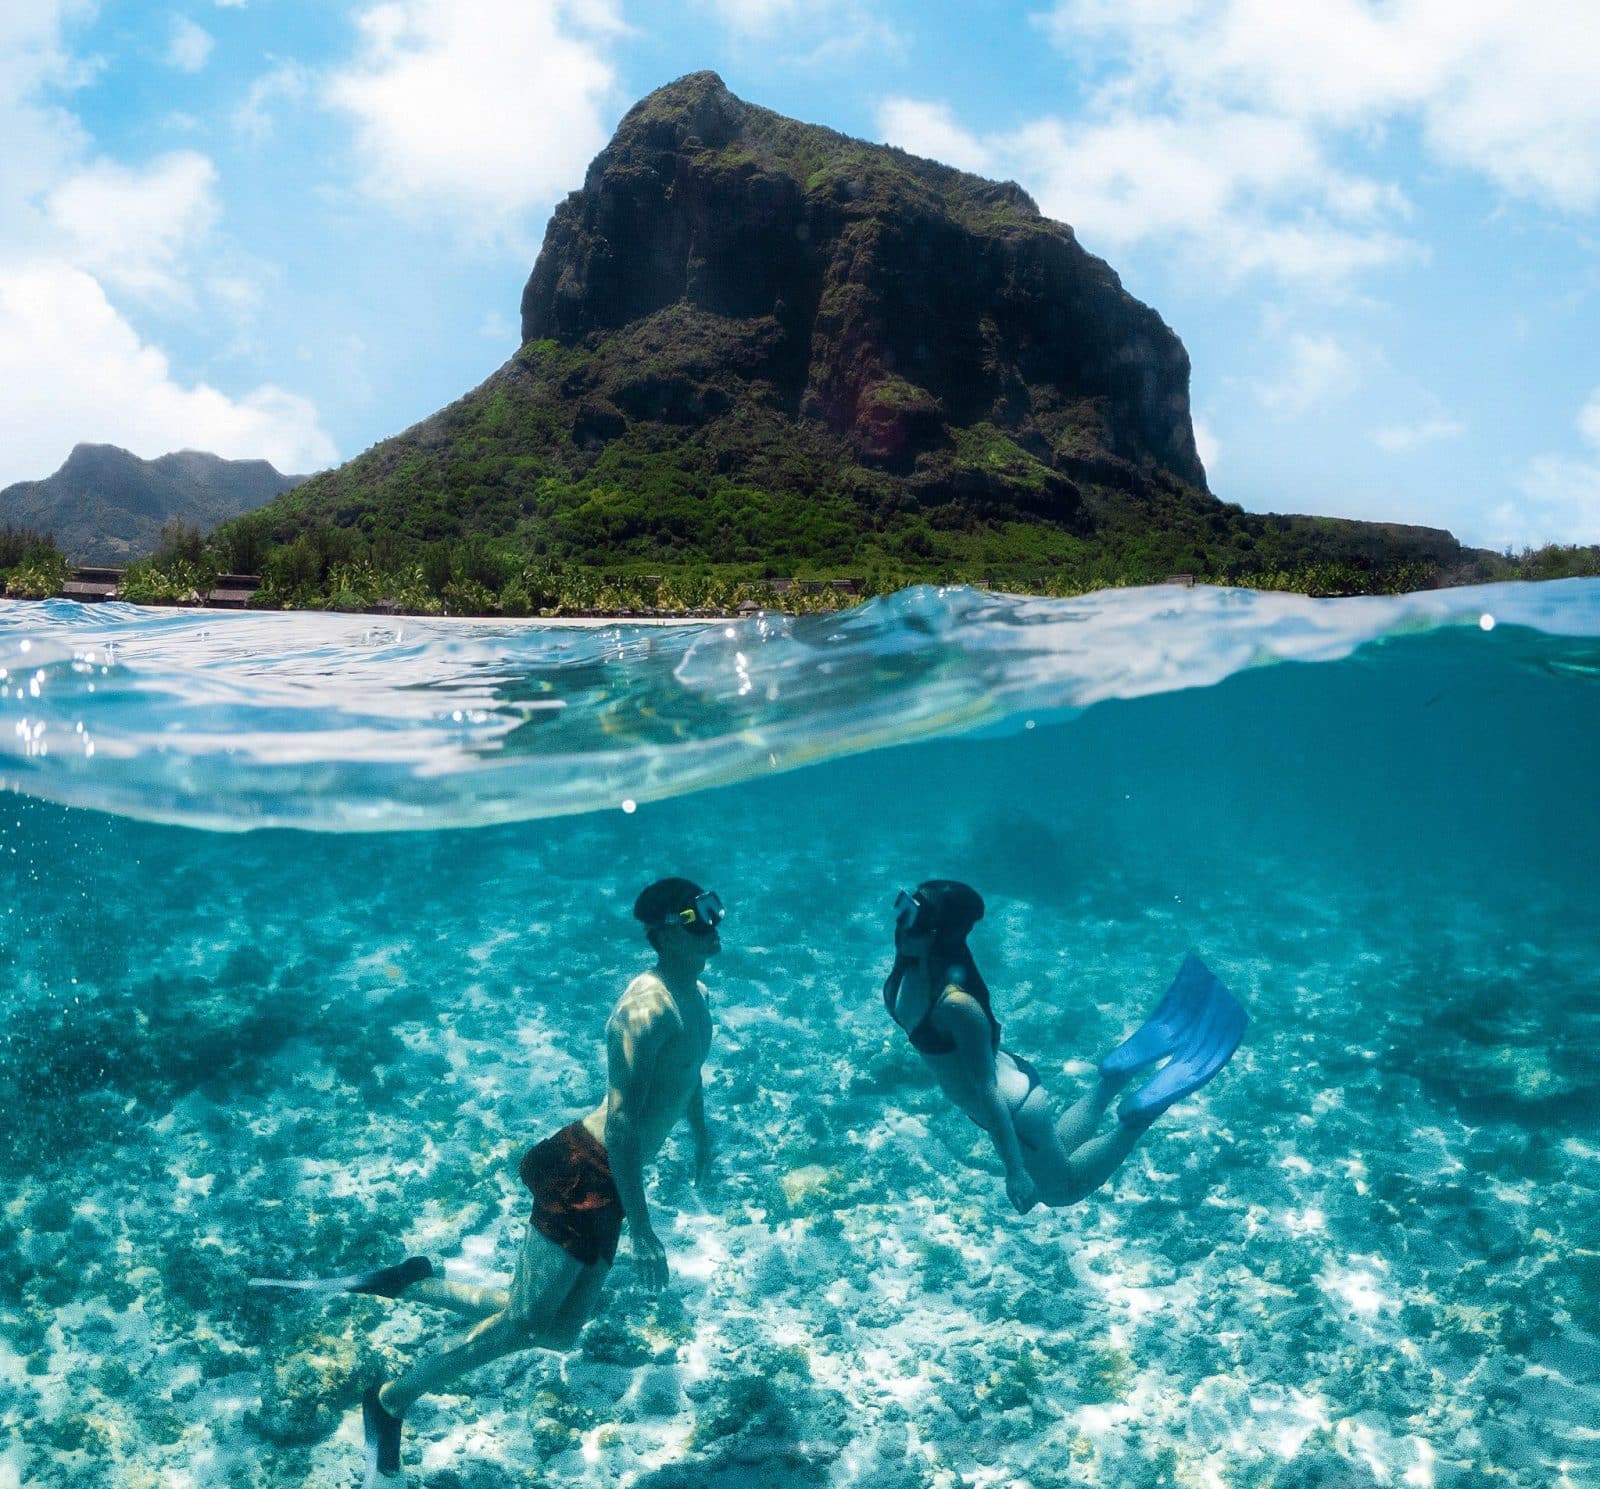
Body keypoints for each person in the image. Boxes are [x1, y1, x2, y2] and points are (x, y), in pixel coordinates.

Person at [250, 877, 723, 1483]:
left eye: (713, 912)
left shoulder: (697, 996)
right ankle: (390, 1400)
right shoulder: (645, 1009)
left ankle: (415, 1281)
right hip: (586, 1171)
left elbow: (687, 1074)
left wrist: (702, 1136)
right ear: (661, 933)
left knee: (555, 1331)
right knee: (525, 1323)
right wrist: (645, 1232)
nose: (712, 926)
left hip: (612, 1181)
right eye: (696, 918)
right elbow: (626, 1125)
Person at [882, 880, 1245, 1214]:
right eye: (906, 913)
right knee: (1053, 1150)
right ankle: (1112, 1079)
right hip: (1015, 1092)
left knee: (1060, 1191)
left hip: (1012, 1108)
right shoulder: (908, 975)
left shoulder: (951, 1003)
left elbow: (986, 1088)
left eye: (916, 921)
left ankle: (1139, 1115)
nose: (904, 927)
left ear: (936, 935)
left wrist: (1014, 1172)